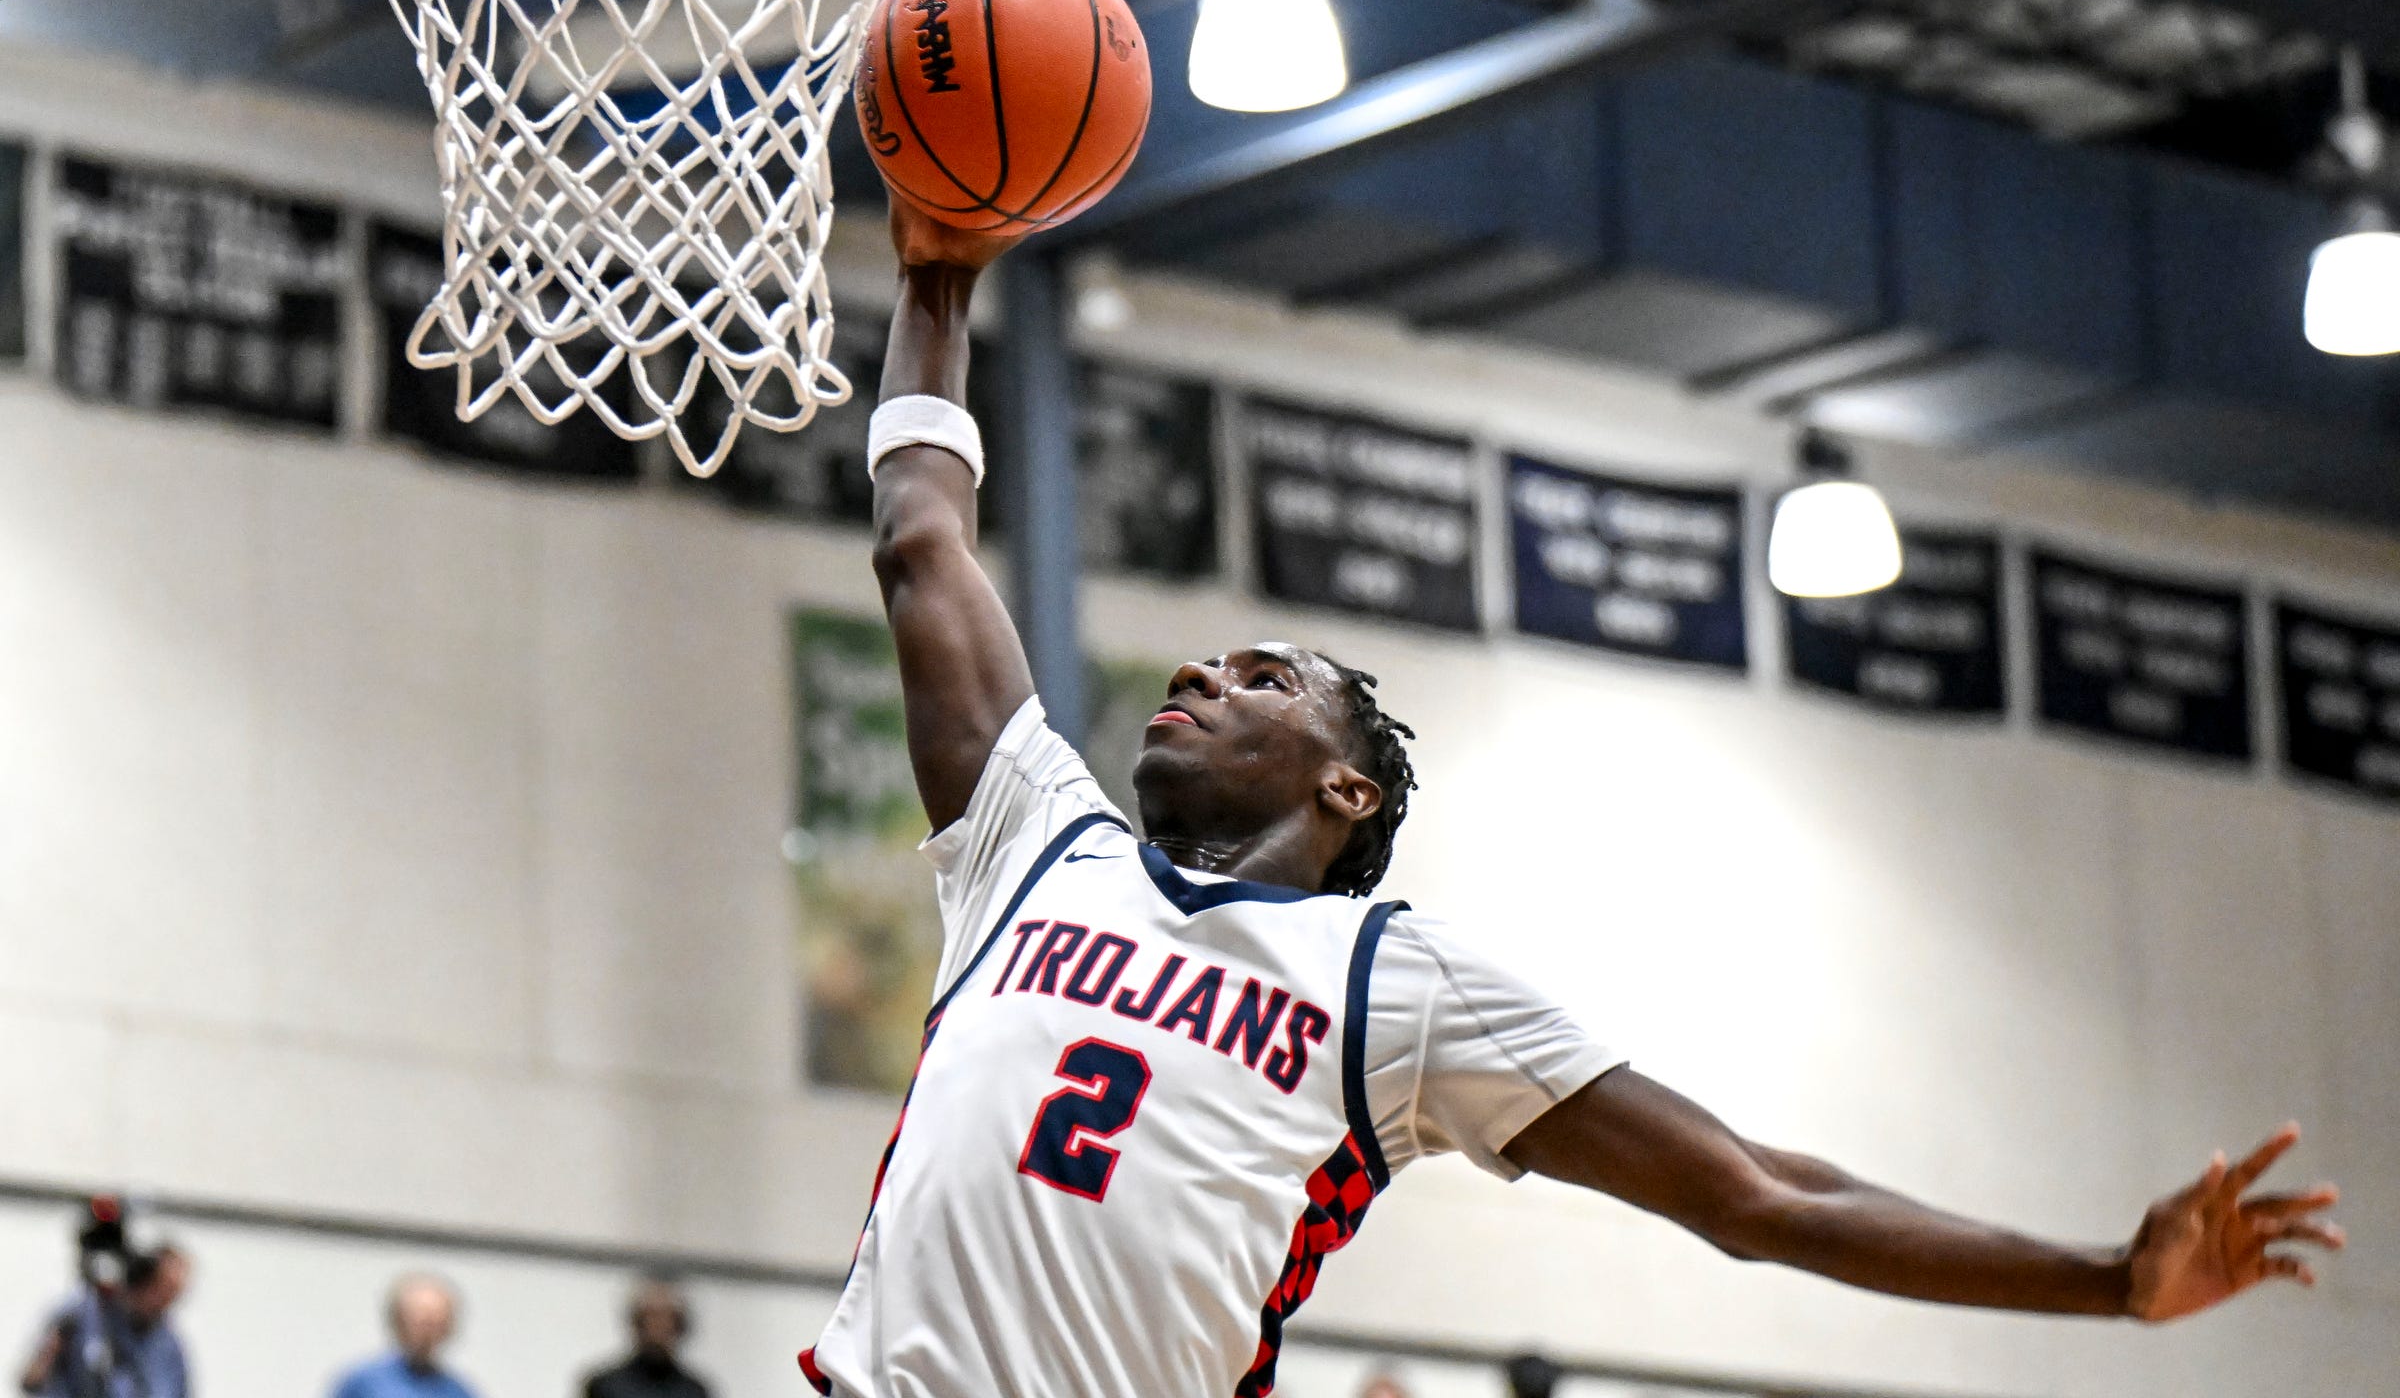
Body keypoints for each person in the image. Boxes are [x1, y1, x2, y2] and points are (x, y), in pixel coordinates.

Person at [797, 194, 2346, 1398]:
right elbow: (924, 538)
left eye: (1264, 676)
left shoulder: (1396, 985)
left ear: (1347, 786)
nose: (1203, 672)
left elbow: (1757, 1193)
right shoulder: (1034, 843)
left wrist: (2109, 1279)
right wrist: (939, 275)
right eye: (1209, 665)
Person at [19, 1231, 190, 1398]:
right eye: (163, 1293)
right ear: (141, 1280)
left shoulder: (167, 1346)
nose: (165, 1304)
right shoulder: (79, 1316)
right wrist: (52, 1349)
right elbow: (31, 1381)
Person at [328, 1276, 479, 1398]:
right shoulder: (363, 1384)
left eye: (436, 1323)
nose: (427, 1334)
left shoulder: (458, 1392)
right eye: (421, 1322)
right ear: (398, 1322)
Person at [579, 1280, 709, 1398]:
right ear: (637, 1324)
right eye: (651, 1318)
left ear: (679, 1327)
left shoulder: (693, 1392)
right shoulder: (604, 1387)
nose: (658, 1327)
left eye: (667, 1319)